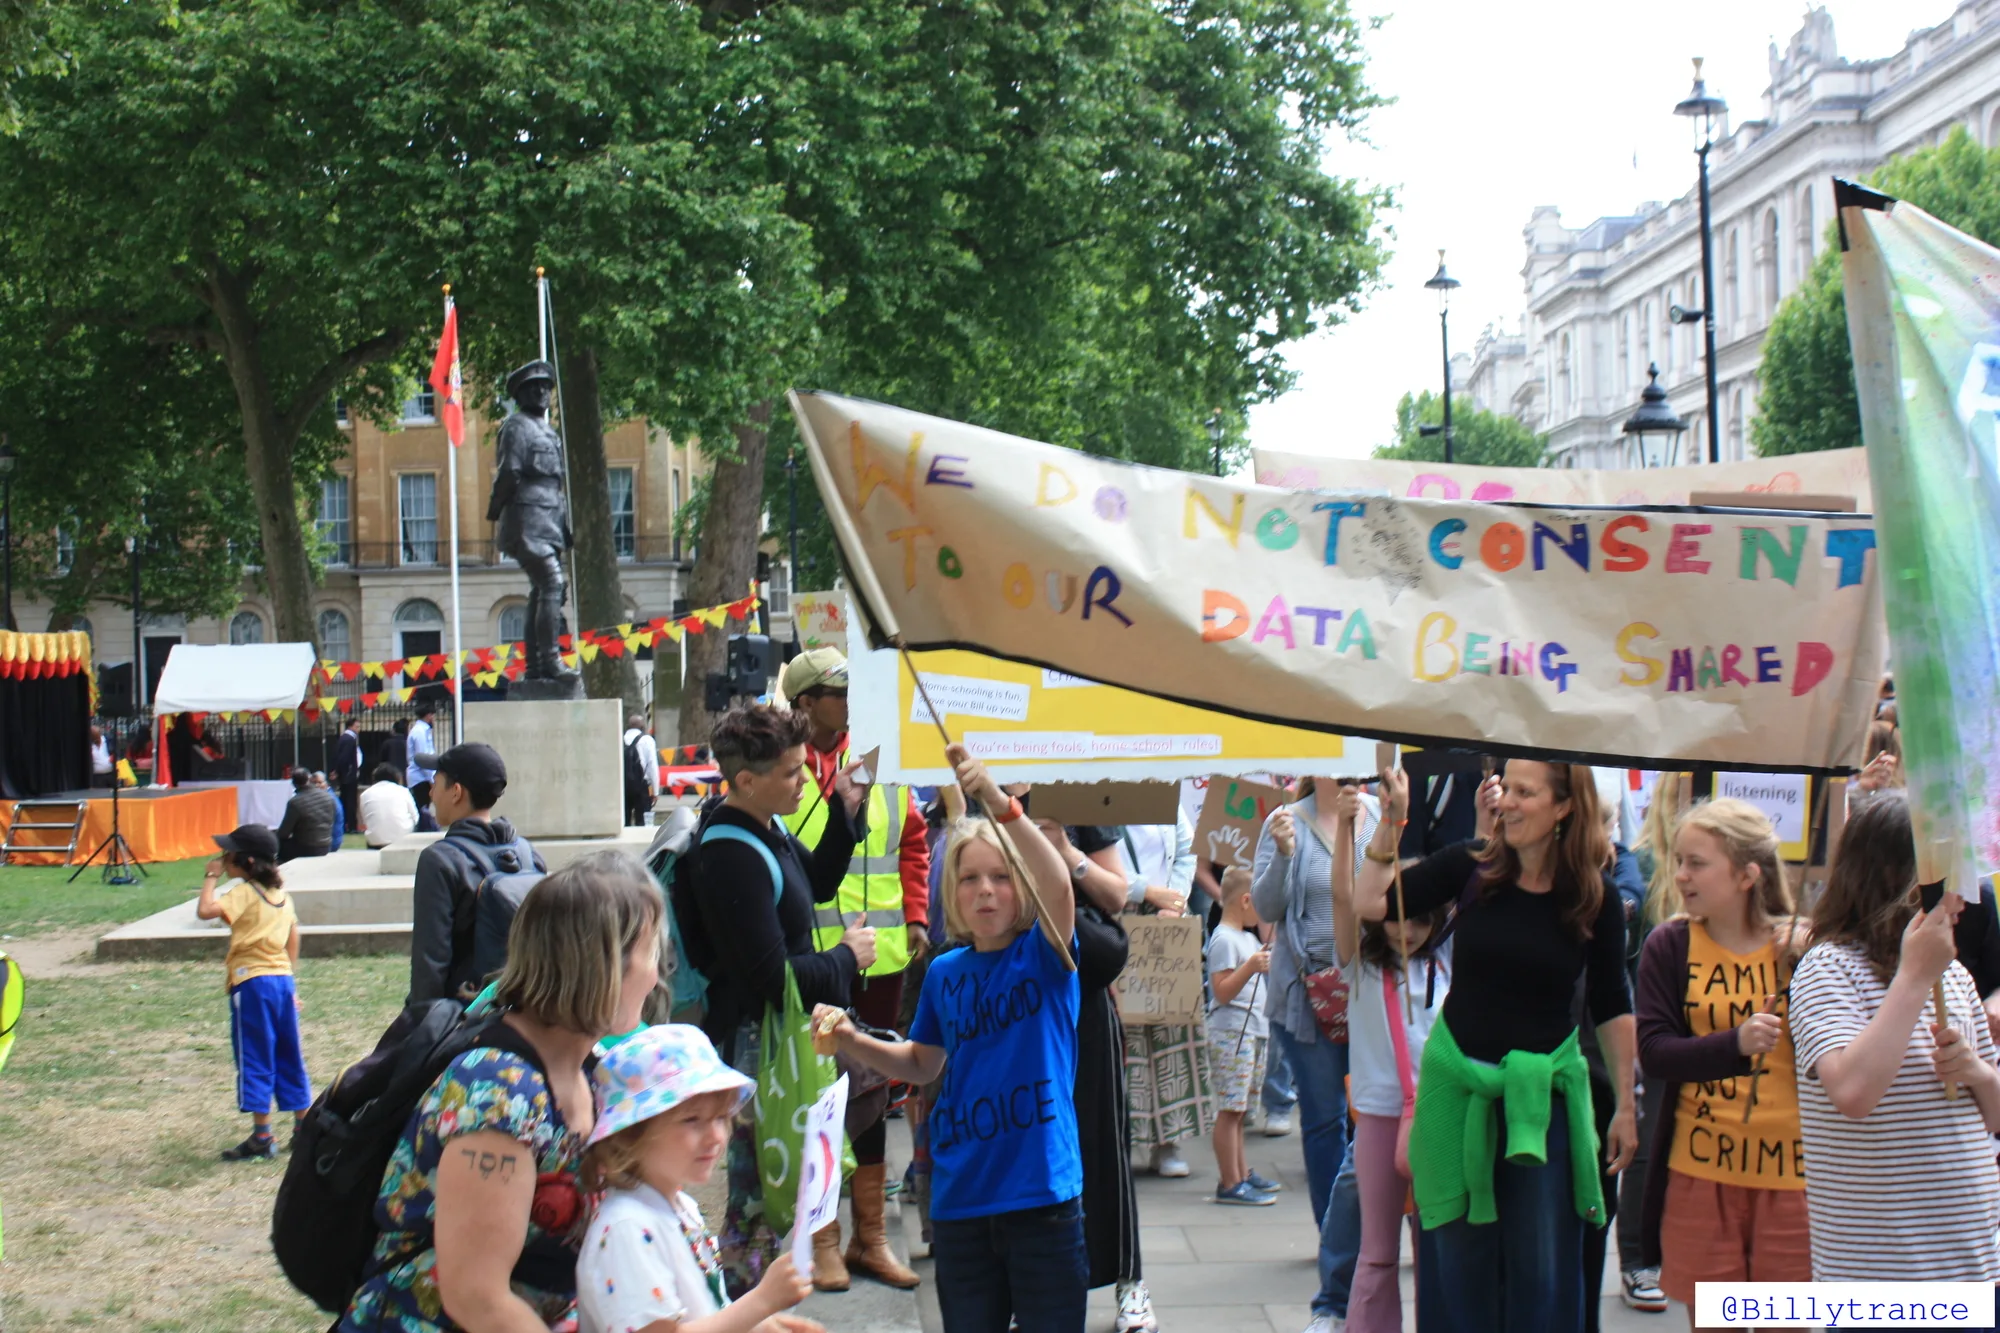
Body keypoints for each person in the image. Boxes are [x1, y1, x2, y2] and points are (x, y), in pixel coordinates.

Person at [815, 743, 1086, 1332]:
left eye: (1000, 877)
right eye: (969, 879)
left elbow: (1060, 885)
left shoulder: (1045, 958)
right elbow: (920, 1062)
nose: (985, 890)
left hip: (1042, 1200)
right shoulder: (944, 972)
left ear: (1021, 889)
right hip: (961, 1203)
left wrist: (995, 801)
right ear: (952, 894)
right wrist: (851, 1040)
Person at [1356, 762, 1636, 1333]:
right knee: (1456, 1258)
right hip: (1458, 1089)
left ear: (1563, 808)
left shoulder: (1594, 897)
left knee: (1541, 1262)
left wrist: (1629, 1108)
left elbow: (1611, 1002)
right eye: (1506, 787)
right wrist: (1390, 823)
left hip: (1542, 1101)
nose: (1506, 801)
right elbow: (1371, 903)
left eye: (1524, 792)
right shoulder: (1471, 865)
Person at [339, 852, 663, 1333]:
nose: (657, 974)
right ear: (604, 967)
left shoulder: (590, 1071)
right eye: (650, 953)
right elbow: (478, 1298)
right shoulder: (495, 1093)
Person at [682, 702, 874, 1289]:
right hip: (752, 1050)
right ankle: (744, 1309)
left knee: (774, 1204)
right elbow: (770, 978)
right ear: (746, 781)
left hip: (775, 1041)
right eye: (792, 772)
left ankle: (755, 1310)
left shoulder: (765, 824)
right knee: (757, 1204)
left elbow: (813, 884)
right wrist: (846, 958)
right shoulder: (729, 853)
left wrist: (844, 810)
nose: (803, 781)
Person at [1787, 790, 2000, 1293]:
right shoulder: (1829, 968)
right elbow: (1853, 1093)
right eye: (1949, 880)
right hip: (1885, 1278)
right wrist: (1911, 978)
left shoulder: (1952, 976)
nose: (1963, 898)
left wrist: (1976, 1071)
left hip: (1973, 1267)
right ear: (1898, 879)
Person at [782, 647, 930, 1291]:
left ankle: (872, 1239)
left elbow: (913, 838)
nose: (854, 706)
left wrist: (919, 916)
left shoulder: (879, 754)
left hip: (882, 960)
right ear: (807, 703)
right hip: (816, 967)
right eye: (842, 694)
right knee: (822, 1096)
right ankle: (824, 1241)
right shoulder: (782, 767)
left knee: (873, 1097)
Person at [1634, 799, 1809, 1328]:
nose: (1681, 875)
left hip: (1794, 1183)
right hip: (1701, 1176)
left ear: (1747, 875)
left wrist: (1815, 958)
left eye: (1696, 863)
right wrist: (1734, 1044)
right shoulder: (1670, 945)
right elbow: (1655, 1052)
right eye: (1679, 861)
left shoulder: (1803, 947)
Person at [576, 1023, 821, 1333]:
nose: (716, 1136)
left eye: (721, 1117)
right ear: (629, 1136)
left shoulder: (680, 1207)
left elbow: (700, 1314)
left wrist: (757, 1327)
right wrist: (760, 1301)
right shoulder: (626, 1229)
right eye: (692, 1120)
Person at [1327, 785, 1451, 1333]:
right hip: (1377, 1114)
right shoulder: (1359, 964)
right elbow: (1341, 896)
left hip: (1439, 1114)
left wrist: (1493, 826)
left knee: (1437, 1246)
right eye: (1398, 917)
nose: (1407, 929)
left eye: (1421, 920)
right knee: (1377, 1252)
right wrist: (1368, 829)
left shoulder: (1446, 961)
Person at [1254, 777, 1376, 1332]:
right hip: (1308, 995)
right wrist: (1281, 856)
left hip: (1369, 991)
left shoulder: (1379, 815)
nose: (1351, 774)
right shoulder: (1287, 820)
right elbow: (1267, 906)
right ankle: (1336, 1239)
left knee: (1369, 1121)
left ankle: (1361, 1233)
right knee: (1325, 1121)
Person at [192, 823, 311, 1161]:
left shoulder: (244, 892)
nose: (221, 858)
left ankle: (262, 1136)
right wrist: (291, 981)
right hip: (281, 981)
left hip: (252, 983)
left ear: (243, 862)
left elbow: (205, 911)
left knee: (256, 1054)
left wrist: (211, 878)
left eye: (226, 854)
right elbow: (293, 936)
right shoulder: (281, 896)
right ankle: (302, 1127)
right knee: (289, 1052)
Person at [1110, 811, 1213, 1181]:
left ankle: (1169, 1141)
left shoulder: (1165, 795)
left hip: (1166, 922)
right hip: (1117, 918)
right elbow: (1091, 857)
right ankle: (1124, 1137)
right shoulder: (1099, 792)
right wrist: (1144, 891)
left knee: (1172, 1026)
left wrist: (1175, 900)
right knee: (1125, 1035)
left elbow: (1187, 851)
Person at [407, 743, 546, 1005]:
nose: (431, 793)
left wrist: (421, 1025)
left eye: (436, 783)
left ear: (456, 792)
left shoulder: (439, 861)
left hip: (467, 1016)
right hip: (525, 1011)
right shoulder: (528, 854)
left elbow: (430, 965)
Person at [1206, 866, 1276, 1205]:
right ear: (1246, 900)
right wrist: (1250, 967)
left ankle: (1242, 1173)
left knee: (1241, 1109)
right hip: (1231, 1032)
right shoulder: (1223, 938)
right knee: (1231, 1109)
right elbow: (1221, 992)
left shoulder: (1247, 938)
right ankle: (1229, 1181)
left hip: (1250, 1032)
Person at [276, 765, 338, 862]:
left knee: (278, 844)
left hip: (306, 848)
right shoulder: (329, 797)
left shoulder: (295, 802)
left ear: (294, 783)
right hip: (326, 845)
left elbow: (283, 833)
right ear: (310, 779)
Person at [359, 764, 420, 849]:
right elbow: (416, 818)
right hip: (403, 838)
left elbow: (366, 820)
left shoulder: (365, 794)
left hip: (375, 841)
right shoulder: (403, 791)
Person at [623, 713, 660, 828]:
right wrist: (655, 791)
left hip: (623, 786)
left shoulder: (620, 739)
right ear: (643, 726)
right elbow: (652, 766)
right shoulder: (647, 740)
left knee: (624, 824)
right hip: (641, 787)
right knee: (643, 824)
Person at [406, 703, 439, 827]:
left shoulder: (423, 731)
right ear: (429, 716)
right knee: (421, 810)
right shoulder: (420, 732)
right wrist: (431, 779)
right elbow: (423, 759)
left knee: (423, 809)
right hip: (420, 778)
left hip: (422, 777)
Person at [332, 719, 362, 830]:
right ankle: (351, 825)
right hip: (349, 775)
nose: (358, 730)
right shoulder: (349, 739)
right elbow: (344, 758)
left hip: (346, 774)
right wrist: (342, 771)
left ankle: (346, 824)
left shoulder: (344, 738)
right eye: (356, 727)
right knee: (350, 800)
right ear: (350, 726)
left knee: (345, 799)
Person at [314, 770, 347, 849]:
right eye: (314, 783)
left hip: (331, 843)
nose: (316, 785)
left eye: (319, 782)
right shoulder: (327, 796)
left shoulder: (328, 799)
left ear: (326, 783)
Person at [89, 724, 115, 788]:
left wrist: (113, 757)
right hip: (97, 777)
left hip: (111, 774)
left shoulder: (107, 741)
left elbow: (115, 752)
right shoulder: (90, 745)